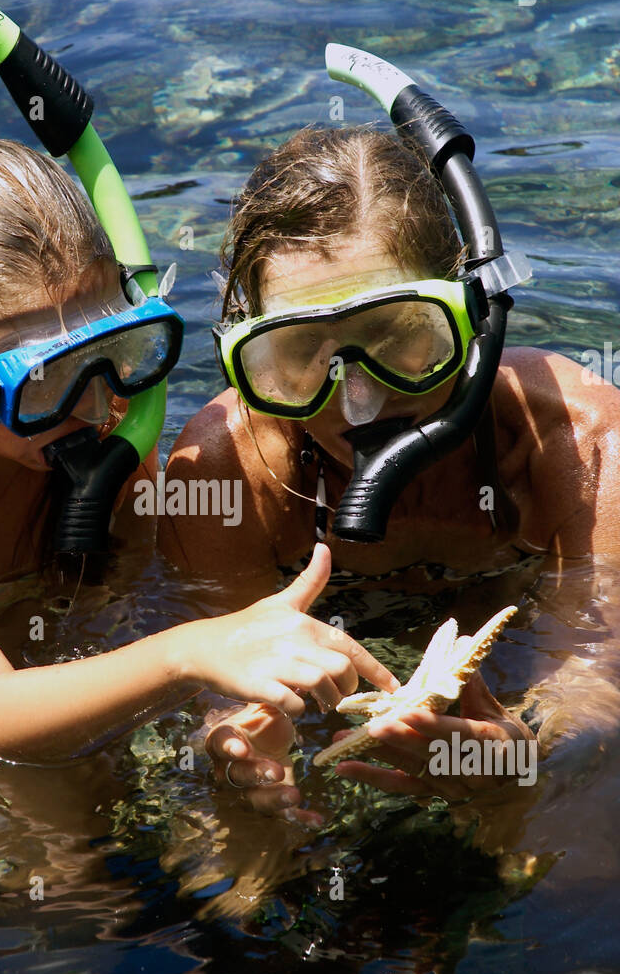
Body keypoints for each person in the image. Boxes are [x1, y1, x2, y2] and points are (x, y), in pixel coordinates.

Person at [0, 137, 396, 762]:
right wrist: (192, 650)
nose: (95, 405)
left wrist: (223, 715)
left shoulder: (106, 428)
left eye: (112, 352)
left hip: (12, 656)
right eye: (40, 376)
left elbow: (105, 617)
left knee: (91, 818)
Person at [160, 125, 620, 820]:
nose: (359, 399)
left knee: (567, 844)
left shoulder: (577, 439)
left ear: (475, 314)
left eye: (400, 337)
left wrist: (528, 753)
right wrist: (241, 743)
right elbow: (221, 675)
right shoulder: (227, 473)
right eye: (299, 353)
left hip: (508, 660)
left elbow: (596, 669)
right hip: (349, 686)